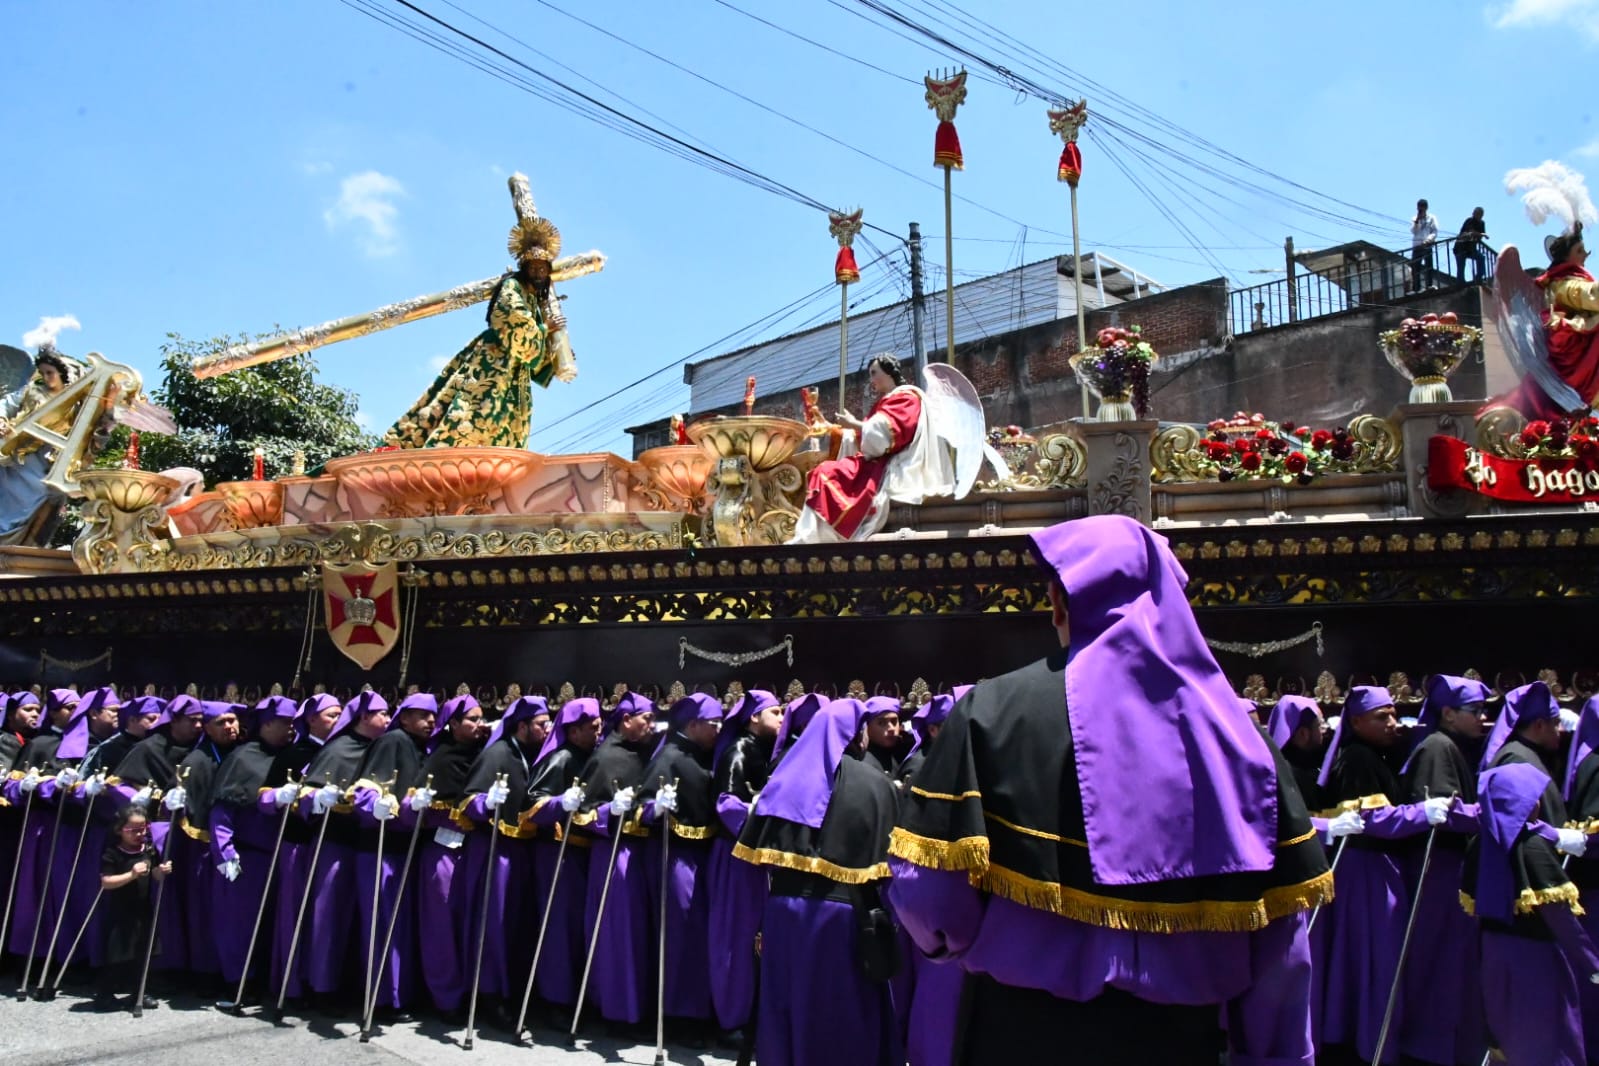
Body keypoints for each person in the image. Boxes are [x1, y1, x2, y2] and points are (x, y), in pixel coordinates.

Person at [889, 515, 1333, 1066]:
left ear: (1058, 601)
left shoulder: (991, 710)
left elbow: (928, 893)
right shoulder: (1241, 737)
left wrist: (955, 946)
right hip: (1181, 1038)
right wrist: (1279, 1055)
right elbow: (1281, 942)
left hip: (1020, 1028)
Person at [734, 697, 902, 1066]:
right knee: (838, 1013)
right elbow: (896, 873)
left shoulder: (782, 781)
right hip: (842, 918)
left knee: (784, 1007)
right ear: (857, 735)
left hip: (782, 915)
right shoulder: (878, 785)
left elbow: (750, 861)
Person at [1316, 685, 1453, 1064]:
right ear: (1356, 721)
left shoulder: (1375, 755)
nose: (1393, 723)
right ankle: (1369, 1043)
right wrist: (1420, 814)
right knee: (1376, 957)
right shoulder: (1358, 759)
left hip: (1376, 868)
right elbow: (1369, 820)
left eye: (1394, 715)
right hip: (1367, 872)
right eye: (1382, 717)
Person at [383, 213, 576, 449]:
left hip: (516, 370)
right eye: (533, 268)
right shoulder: (512, 286)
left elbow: (532, 354)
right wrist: (546, 328)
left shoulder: (535, 300)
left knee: (507, 422)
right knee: (472, 410)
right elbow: (513, 319)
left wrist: (555, 354)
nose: (538, 273)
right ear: (524, 268)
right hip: (491, 360)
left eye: (542, 269)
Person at [1466, 762, 1599, 1066]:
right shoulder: (1533, 848)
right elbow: (1559, 916)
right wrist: (1592, 964)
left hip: (1493, 954)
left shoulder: (1481, 843)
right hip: (1535, 960)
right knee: (1549, 1041)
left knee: (1505, 1037)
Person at [1397, 674, 1493, 1066]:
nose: (1483, 718)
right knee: (1439, 961)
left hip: (1449, 869)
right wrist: (1491, 810)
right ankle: (1432, 1050)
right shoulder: (1438, 747)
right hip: (1438, 872)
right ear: (1449, 714)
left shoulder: (1450, 744)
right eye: (1476, 711)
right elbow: (1442, 812)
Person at [634, 692, 725, 1045]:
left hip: (697, 856)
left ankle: (695, 1009)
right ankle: (677, 1015)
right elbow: (641, 810)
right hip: (674, 859)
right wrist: (655, 807)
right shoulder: (669, 757)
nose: (718, 729)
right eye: (713, 723)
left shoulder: (698, 754)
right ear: (692, 725)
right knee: (681, 934)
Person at [789, 354, 953, 544]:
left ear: (889, 372)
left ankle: (815, 536)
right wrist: (834, 429)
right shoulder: (886, 401)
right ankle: (811, 534)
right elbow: (864, 439)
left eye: (874, 373)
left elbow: (886, 436)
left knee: (825, 473)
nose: (871, 379)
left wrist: (854, 424)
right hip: (873, 462)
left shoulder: (906, 398)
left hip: (891, 464)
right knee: (823, 472)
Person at [291, 689, 388, 1006]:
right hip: (336, 842)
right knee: (330, 915)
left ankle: (353, 985)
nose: (388, 719)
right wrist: (320, 799)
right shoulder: (339, 749)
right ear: (363, 717)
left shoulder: (380, 748)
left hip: (368, 844)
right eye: (382, 714)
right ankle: (323, 988)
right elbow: (304, 796)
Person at [457, 694, 547, 1028]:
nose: (546, 729)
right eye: (540, 724)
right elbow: (466, 802)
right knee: (493, 923)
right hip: (496, 849)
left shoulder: (533, 753)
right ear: (522, 726)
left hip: (522, 848)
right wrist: (485, 802)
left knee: (517, 924)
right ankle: (489, 997)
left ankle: (515, 993)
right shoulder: (496, 753)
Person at [348, 691, 438, 1017]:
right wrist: (377, 807)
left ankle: (402, 994)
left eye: (433, 715)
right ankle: (382, 998)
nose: (430, 721)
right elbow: (364, 792)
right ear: (404, 718)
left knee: (401, 926)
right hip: (380, 849)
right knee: (382, 923)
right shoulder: (392, 742)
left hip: (406, 849)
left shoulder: (421, 748)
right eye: (423, 715)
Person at [207, 693, 300, 1000]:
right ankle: (238, 983)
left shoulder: (291, 755)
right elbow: (223, 810)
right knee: (239, 923)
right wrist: (226, 853)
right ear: (267, 723)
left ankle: (267, 981)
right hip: (247, 855)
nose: (291, 728)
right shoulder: (244, 757)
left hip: (280, 854)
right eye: (285, 722)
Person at [572, 689, 656, 1030]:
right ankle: (618, 1011)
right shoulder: (605, 758)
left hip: (642, 853)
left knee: (640, 933)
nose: (651, 725)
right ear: (626, 720)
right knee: (617, 933)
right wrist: (610, 810)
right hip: (615, 854)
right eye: (646, 719)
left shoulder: (644, 752)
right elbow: (582, 815)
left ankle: (641, 1006)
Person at [520, 695, 602, 1022]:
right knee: (558, 927)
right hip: (557, 853)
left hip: (581, 851)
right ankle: (556, 1001)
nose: (600, 732)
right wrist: (559, 804)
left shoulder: (589, 756)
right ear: (574, 730)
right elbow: (532, 805)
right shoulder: (561, 758)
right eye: (593, 727)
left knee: (576, 926)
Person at [706, 689, 781, 1038]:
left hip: (757, 855)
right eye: (775, 712)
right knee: (737, 936)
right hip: (737, 856)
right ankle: (732, 1020)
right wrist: (757, 820)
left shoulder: (765, 751)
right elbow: (726, 803)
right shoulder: (738, 750)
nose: (782, 719)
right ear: (754, 716)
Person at [415, 690, 486, 1017]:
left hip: (471, 852)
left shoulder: (480, 755)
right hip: (443, 853)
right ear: (453, 723)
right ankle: (445, 998)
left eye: (481, 718)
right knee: (442, 925)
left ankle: (472, 991)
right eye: (472, 719)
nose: (479, 724)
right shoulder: (441, 759)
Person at [1487, 222, 1599, 420]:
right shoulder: (1564, 282)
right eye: (1579, 250)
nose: (1585, 255)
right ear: (1566, 256)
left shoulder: (1571, 279)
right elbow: (1589, 296)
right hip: (1574, 351)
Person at [0, 345, 101, 546]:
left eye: (51, 373)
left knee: (45, 500)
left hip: (48, 464)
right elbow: (6, 403)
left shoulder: (75, 401)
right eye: (43, 373)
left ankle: (22, 546)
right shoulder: (31, 391)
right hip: (17, 461)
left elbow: (92, 431)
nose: (47, 378)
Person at [95, 804, 171, 1012]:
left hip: (143, 908)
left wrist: (162, 870)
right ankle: (105, 995)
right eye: (133, 830)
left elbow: (155, 875)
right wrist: (131, 874)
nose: (140, 834)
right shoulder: (113, 853)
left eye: (143, 829)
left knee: (143, 952)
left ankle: (139, 992)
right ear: (120, 830)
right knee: (116, 955)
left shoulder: (148, 849)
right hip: (120, 911)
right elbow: (106, 882)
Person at [1265, 694, 1324, 809]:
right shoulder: (1287, 777)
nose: (1323, 732)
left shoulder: (1306, 766)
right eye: (1319, 725)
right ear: (1303, 734)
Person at [860, 695, 906, 777]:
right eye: (881, 723)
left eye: (894, 721)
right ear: (867, 727)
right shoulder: (862, 763)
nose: (891, 728)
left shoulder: (902, 756)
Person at [1410, 198, 1439, 293]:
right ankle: (1416, 288)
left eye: (1422, 207)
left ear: (1426, 208)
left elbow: (1435, 231)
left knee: (1428, 265)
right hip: (1417, 246)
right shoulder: (1415, 218)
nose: (1420, 209)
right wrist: (1417, 220)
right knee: (1415, 267)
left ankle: (1429, 285)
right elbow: (1413, 231)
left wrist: (1428, 240)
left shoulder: (1431, 218)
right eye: (1419, 207)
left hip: (1427, 244)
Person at [1454, 207, 1488, 283]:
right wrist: (1480, 234)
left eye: (1478, 214)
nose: (1474, 214)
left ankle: (1479, 277)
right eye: (1475, 213)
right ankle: (1460, 283)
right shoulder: (1469, 221)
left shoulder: (1482, 223)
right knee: (1461, 268)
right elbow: (1470, 232)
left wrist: (1481, 235)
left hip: (1471, 249)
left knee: (1481, 258)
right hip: (1460, 248)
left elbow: (1480, 235)